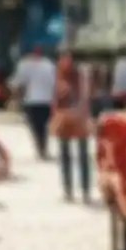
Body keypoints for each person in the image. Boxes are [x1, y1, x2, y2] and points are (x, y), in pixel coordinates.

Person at [52, 51, 93, 203]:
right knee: (64, 155)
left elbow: (85, 96)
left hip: (79, 116)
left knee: (83, 155)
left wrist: (83, 113)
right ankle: (68, 189)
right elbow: (55, 98)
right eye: (63, 60)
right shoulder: (58, 76)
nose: (65, 63)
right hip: (63, 117)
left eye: (68, 59)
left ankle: (85, 190)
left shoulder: (80, 77)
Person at [11, 45, 57, 160]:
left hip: (31, 100)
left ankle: (40, 148)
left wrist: (15, 98)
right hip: (47, 100)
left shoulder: (24, 64)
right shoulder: (49, 64)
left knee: (35, 126)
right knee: (44, 126)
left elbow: (17, 83)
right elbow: (54, 82)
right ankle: (44, 148)